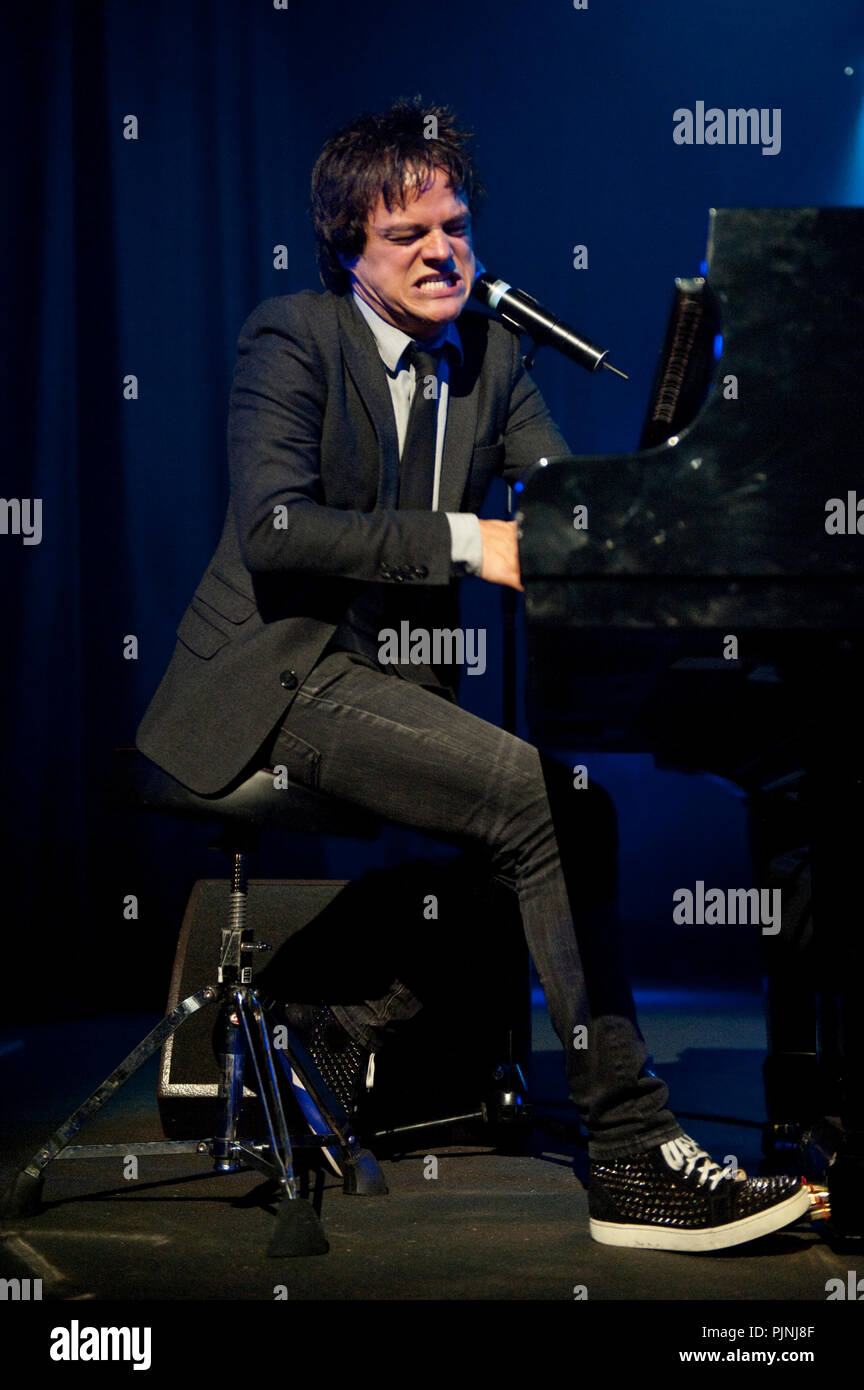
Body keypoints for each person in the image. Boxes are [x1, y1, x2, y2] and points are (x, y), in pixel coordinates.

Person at [137, 98, 810, 1252]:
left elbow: (560, 502)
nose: (444, 251)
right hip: (273, 674)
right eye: (409, 235)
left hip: (385, 688)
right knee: (546, 811)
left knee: (573, 813)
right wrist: (467, 540)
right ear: (350, 248)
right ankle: (633, 1154)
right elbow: (280, 531)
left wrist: (674, 534)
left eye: (455, 225)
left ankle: (333, 1014)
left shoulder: (493, 359)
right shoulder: (291, 336)